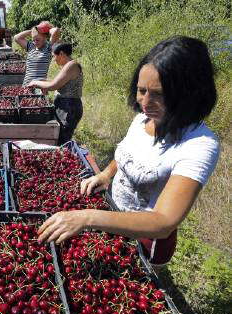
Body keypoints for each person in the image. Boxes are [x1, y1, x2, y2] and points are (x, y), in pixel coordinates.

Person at [38, 36, 220, 270]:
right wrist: (106, 174)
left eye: (159, 94)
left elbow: (163, 222)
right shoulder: (142, 119)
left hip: (146, 240)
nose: (145, 102)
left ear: (189, 93)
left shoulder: (199, 145)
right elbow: (127, 153)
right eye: (141, 90)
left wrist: (87, 217)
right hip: (113, 220)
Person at [27, 43, 83, 144]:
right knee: (58, 137)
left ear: (61, 54)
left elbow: (53, 85)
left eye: (54, 56)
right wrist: (44, 85)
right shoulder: (68, 65)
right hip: (65, 106)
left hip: (69, 108)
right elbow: (59, 83)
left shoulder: (72, 65)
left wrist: (35, 82)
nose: (53, 59)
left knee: (62, 139)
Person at [14, 21, 61, 86]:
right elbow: (16, 38)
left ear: (45, 37)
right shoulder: (31, 47)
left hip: (39, 88)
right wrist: (33, 30)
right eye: (33, 40)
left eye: (37, 39)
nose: (35, 42)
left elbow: (56, 31)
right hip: (26, 86)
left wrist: (45, 29)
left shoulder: (48, 47)